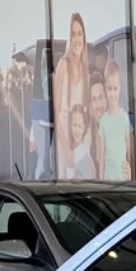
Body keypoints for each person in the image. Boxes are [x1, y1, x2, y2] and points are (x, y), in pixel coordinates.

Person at [51, 13, 91, 178]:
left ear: (84, 36)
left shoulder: (85, 70)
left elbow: (87, 114)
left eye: (79, 33)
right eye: (73, 34)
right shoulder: (63, 65)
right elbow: (56, 111)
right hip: (64, 140)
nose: (77, 39)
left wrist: (80, 145)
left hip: (79, 139)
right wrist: (67, 148)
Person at [98, 60, 135, 182]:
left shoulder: (124, 118)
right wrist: (101, 181)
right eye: (109, 89)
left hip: (123, 179)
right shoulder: (103, 121)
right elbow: (101, 157)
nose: (112, 93)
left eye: (115, 88)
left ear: (119, 88)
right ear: (105, 89)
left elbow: (130, 153)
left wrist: (131, 172)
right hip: (108, 180)